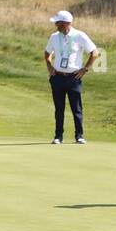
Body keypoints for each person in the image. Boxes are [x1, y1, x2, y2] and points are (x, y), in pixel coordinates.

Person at [44, 10, 97, 144]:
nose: (56, 25)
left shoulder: (80, 36)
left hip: (74, 78)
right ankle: (58, 136)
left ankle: (79, 136)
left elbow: (94, 53)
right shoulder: (54, 37)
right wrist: (50, 67)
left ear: (66, 23)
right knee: (59, 108)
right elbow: (47, 53)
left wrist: (85, 69)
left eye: (58, 23)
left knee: (76, 108)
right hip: (58, 77)